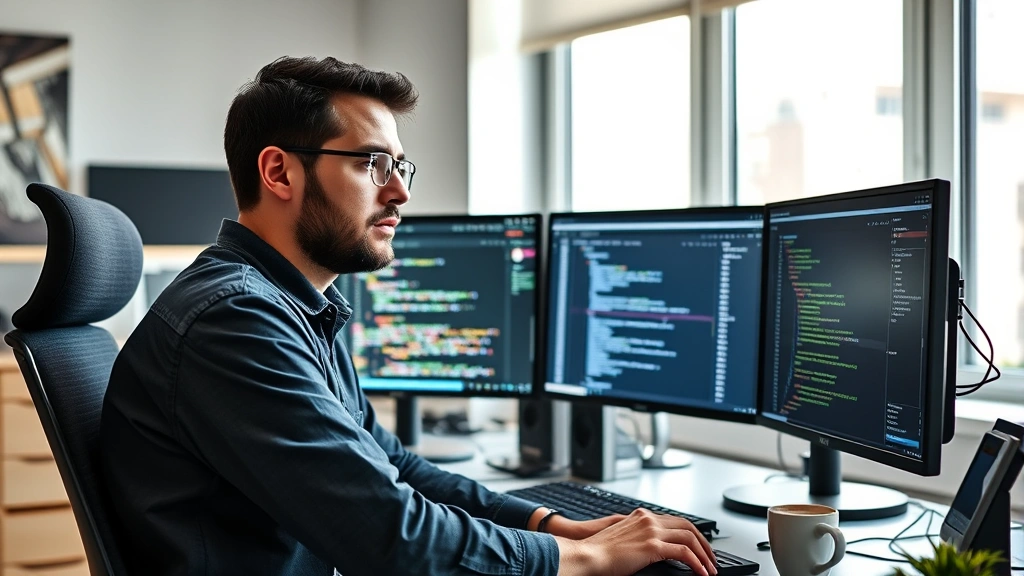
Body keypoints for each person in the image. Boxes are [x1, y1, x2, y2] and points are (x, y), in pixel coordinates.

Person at [100, 56, 719, 576]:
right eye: (372, 163)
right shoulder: (234, 320)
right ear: (279, 171)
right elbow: (391, 538)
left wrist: (551, 524)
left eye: (400, 165)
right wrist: (580, 560)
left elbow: (390, 465)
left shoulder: (295, 303)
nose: (399, 190)